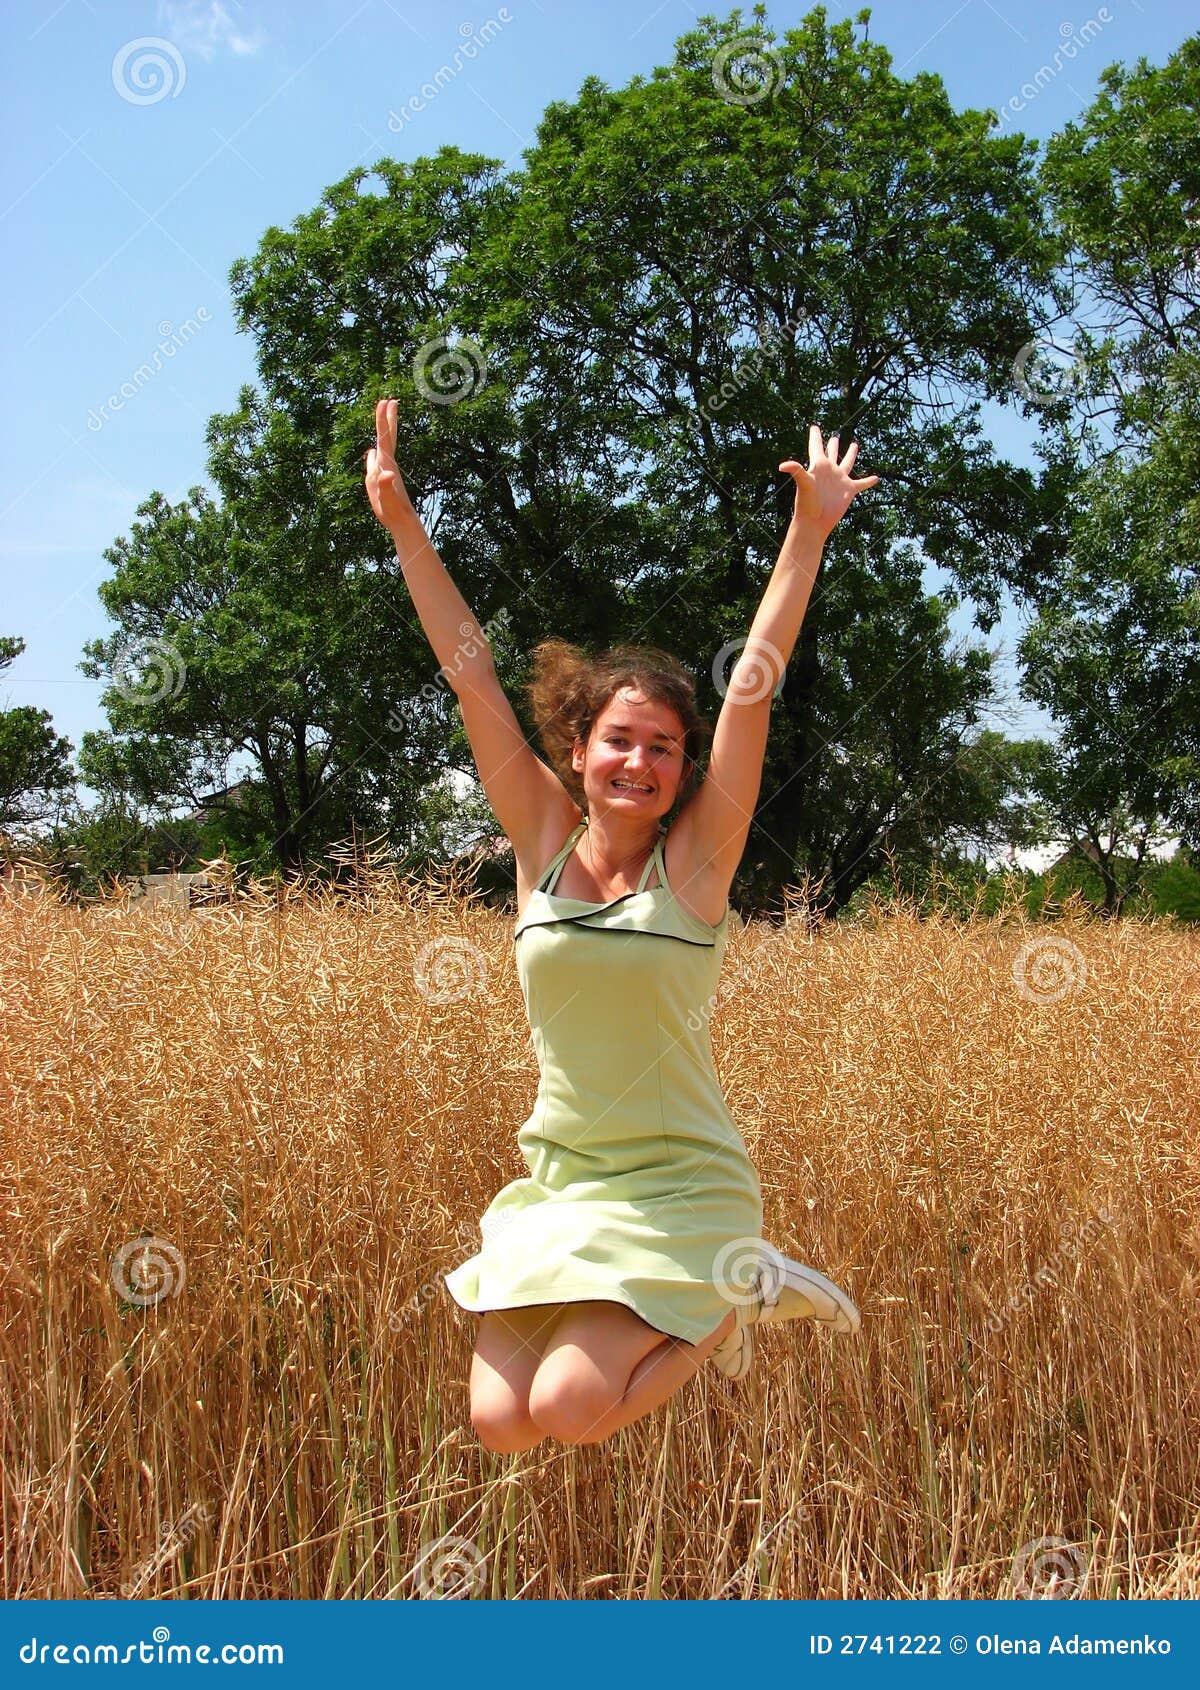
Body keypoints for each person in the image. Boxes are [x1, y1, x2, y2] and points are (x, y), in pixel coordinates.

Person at [364, 399, 880, 1453]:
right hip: (565, 1177)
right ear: (577, 743)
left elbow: (750, 691)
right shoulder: (542, 837)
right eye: (620, 740)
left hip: (682, 1182)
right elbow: (468, 670)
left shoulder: (694, 870)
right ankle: (703, 1305)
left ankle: (735, 1300)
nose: (641, 762)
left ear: (683, 769)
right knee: (501, 1423)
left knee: (568, 1407)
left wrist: (809, 530)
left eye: (664, 748)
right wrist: (404, 525)